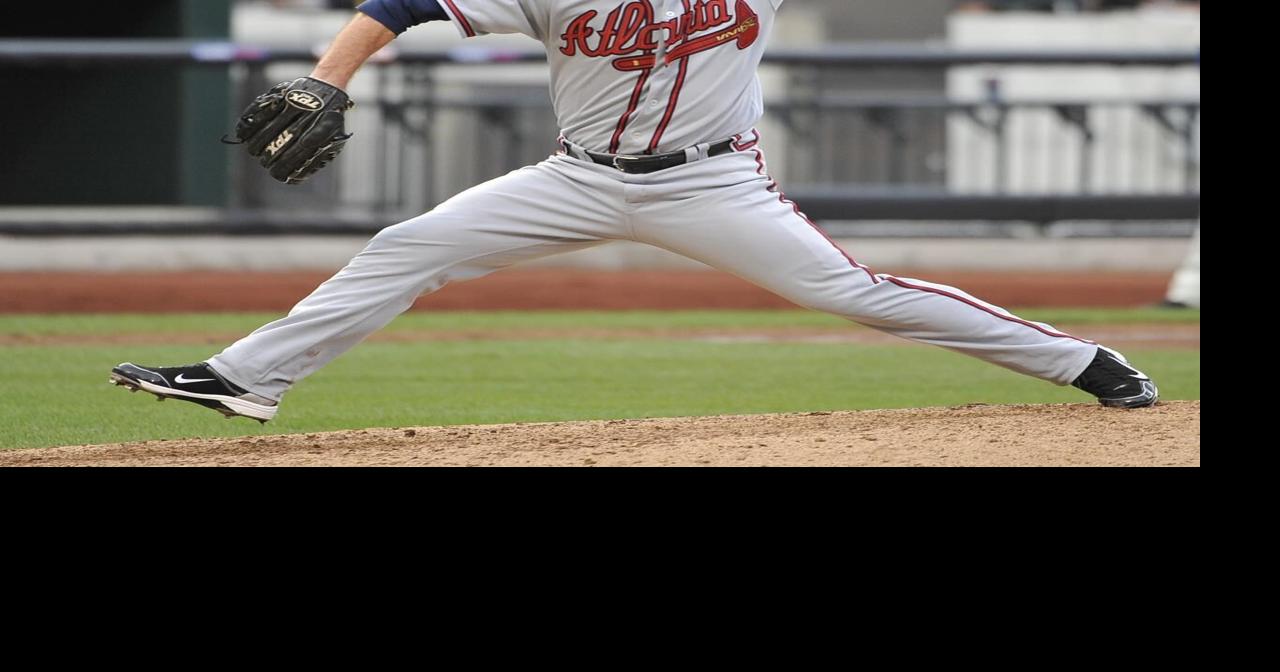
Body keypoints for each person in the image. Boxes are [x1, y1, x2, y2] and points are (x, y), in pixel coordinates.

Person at [109, 0, 1158, 422]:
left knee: (853, 292)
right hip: (575, 175)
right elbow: (397, 4)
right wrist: (327, 80)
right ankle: (246, 379)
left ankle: (1083, 361)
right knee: (410, 244)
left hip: (712, 182)